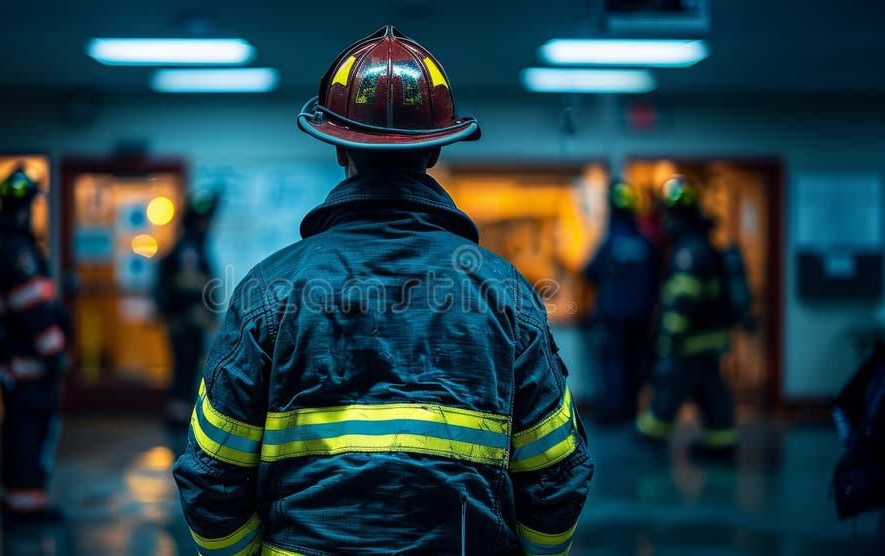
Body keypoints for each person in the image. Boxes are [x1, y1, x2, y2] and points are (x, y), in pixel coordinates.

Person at [172, 26, 593, 555]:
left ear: (338, 149)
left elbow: (211, 474)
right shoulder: (505, 293)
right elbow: (557, 476)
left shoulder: (267, 290)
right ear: (436, 150)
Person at [0, 165, 69, 520]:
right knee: (28, 431)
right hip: (27, 364)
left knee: (15, 431)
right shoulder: (19, 251)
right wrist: (56, 352)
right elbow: (32, 307)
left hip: (10, 362)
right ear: (26, 207)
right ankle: (26, 505)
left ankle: (12, 497)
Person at [635, 175, 738, 454]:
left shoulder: (688, 252)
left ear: (679, 217)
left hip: (688, 341)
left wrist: (668, 337)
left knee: (669, 385)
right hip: (710, 340)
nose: (665, 223)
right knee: (710, 391)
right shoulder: (704, 246)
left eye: (668, 216)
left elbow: (683, 297)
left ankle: (650, 434)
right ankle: (722, 439)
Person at [585, 179, 658, 424]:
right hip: (641, 317)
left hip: (613, 318)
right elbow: (658, 277)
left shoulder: (612, 241)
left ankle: (613, 412)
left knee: (613, 365)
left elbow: (590, 271)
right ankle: (631, 411)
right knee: (635, 364)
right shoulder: (647, 242)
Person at [155, 190, 219, 424]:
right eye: (203, 220)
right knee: (184, 370)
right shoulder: (188, 249)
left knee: (188, 369)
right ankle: (178, 422)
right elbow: (189, 289)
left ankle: (180, 417)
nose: (207, 225)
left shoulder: (193, 246)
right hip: (185, 326)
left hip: (189, 325)